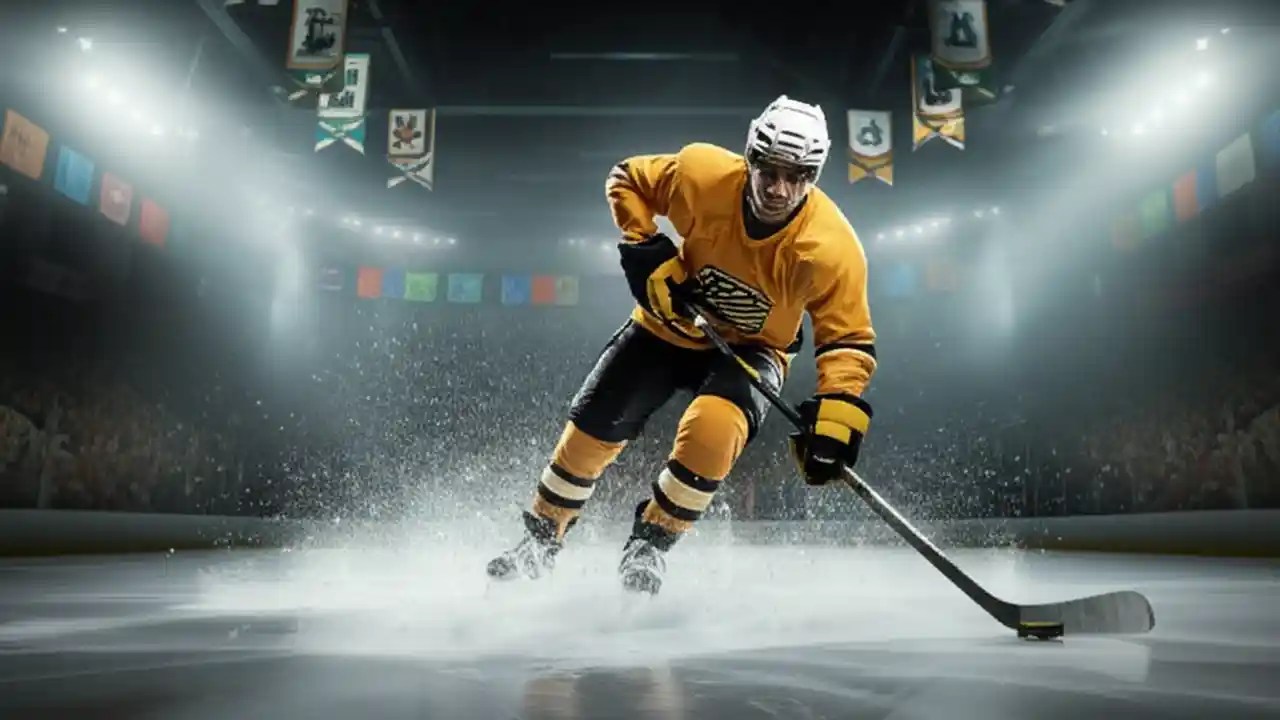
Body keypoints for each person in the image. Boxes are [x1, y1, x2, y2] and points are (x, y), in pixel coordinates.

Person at [487, 95, 878, 594]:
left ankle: (651, 542)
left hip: (754, 351)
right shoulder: (702, 174)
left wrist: (838, 408)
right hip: (666, 326)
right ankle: (541, 537)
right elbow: (626, 178)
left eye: (798, 175)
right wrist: (644, 246)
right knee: (592, 427)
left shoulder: (833, 248)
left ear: (814, 176)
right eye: (771, 171)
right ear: (750, 159)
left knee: (713, 434)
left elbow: (847, 337)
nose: (780, 189)